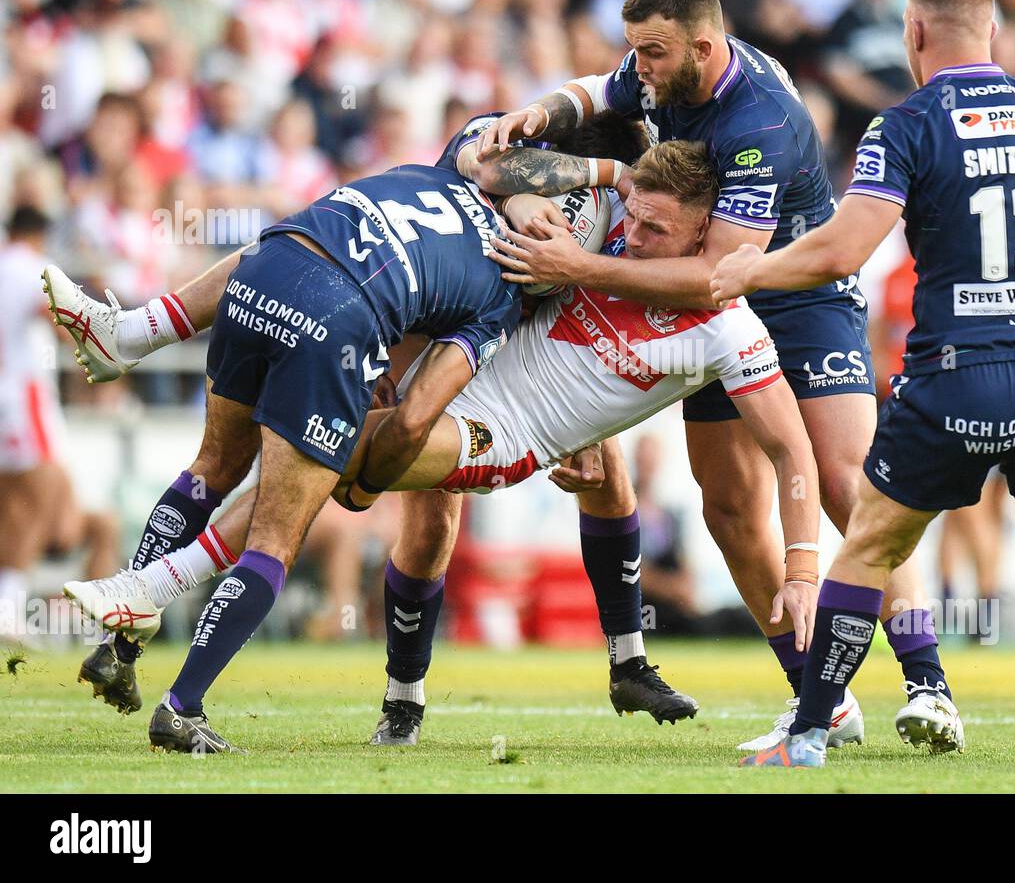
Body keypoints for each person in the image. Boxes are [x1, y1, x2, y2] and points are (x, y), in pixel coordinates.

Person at [66, 141, 825, 753]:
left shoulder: (729, 331)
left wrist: (800, 565)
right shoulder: (599, 223)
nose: (637, 235)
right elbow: (491, 162)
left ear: (704, 235)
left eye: (659, 231)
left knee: (324, 460)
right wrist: (578, 182)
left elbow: (793, 452)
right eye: (636, 215)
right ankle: (403, 702)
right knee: (360, 489)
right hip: (446, 359)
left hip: (502, 434)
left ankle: (156, 586)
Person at [711, 0, 1015, 767]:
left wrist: (750, 269)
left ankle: (810, 733)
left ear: (915, 33)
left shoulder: (906, 124)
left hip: (957, 373)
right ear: (994, 29)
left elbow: (845, 249)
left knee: (868, 548)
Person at [479, 0, 956, 753]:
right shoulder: (667, 72)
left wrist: (582, 268)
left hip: (796, 292)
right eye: (636, 50)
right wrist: (541, 110)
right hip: (710, 300)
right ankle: (817, 696)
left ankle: (927, 682)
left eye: (654, 53)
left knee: (847, 481)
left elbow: (715, 278)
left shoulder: (758, 121)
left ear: (703, 45)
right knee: (730, 505)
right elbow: (600, 92)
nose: (641, 67)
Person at [52, 156, 521, 752]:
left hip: (262, 270)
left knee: (212, 469)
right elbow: (416, 414)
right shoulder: (505, 292)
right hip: (334, 318)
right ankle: (182, 708)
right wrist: (369, 481)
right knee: (275, 536)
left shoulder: (442, 170)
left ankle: (117, 648)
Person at [0, 206, 118, 641]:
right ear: (38, 236)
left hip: (9, 396)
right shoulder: (27, 267)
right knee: (39, 493)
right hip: (21, 394)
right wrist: (92, 357)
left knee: (18, 501)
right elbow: (55, 316)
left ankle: (42, 611)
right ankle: (12, 606)